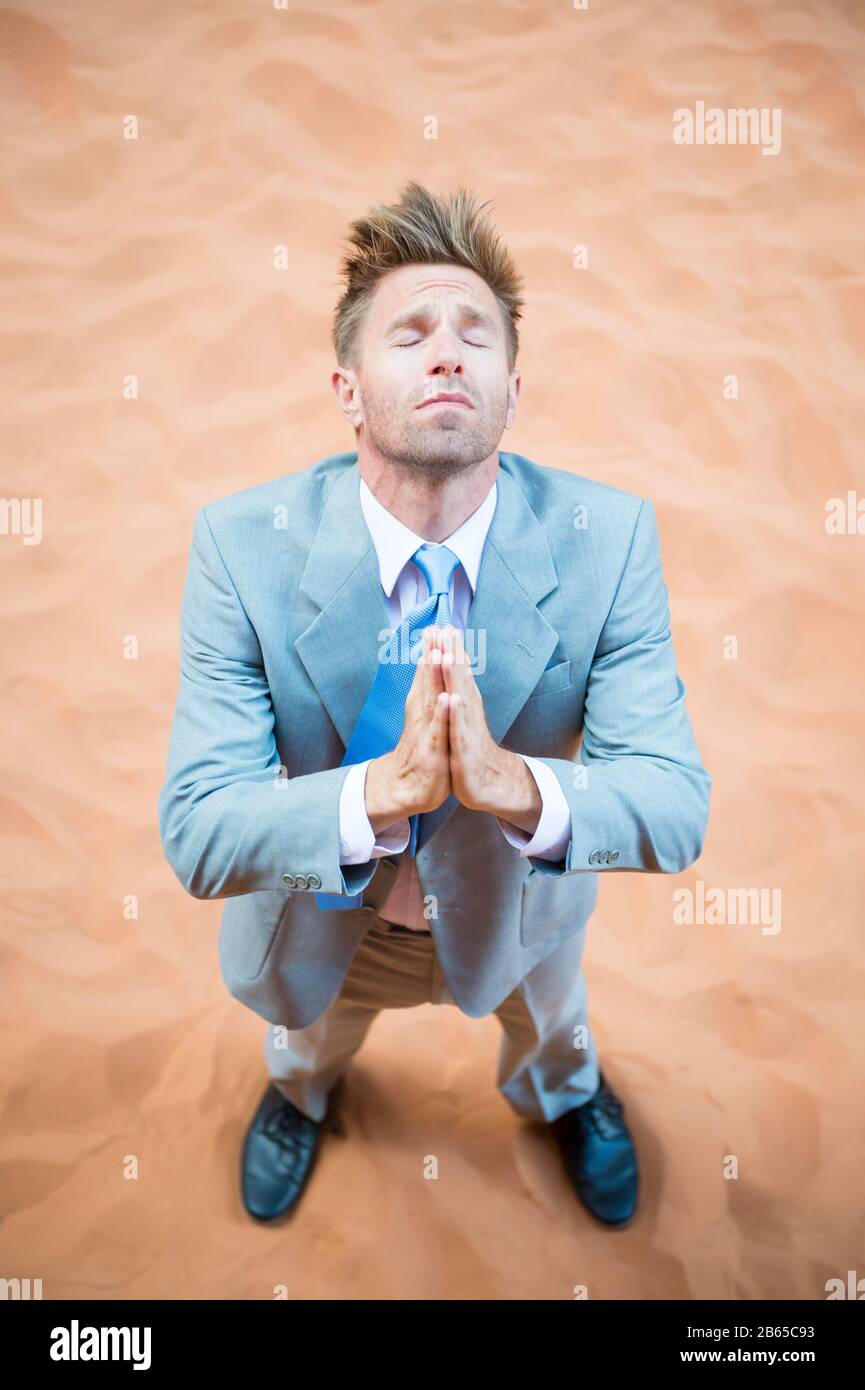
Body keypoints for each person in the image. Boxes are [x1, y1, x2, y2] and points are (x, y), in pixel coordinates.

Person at [157, 180, 711, 1232]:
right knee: (308, 1037)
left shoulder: (610, 540)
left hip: (520, 910)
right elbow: (197, 830)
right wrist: (375, 792)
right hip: (335, 910)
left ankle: (567, 1097)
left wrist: (514, 786)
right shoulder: (241, 547)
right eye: (409, 334)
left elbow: (674, 804)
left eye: (476, 336)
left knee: (557, 1028)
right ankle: (301, 1098)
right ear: (349, 390)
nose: (448, 352)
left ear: (512, 393)